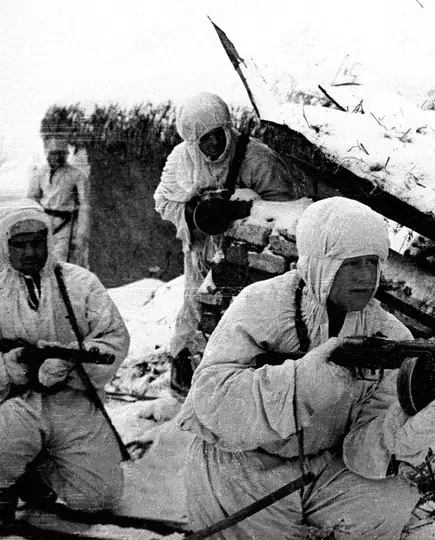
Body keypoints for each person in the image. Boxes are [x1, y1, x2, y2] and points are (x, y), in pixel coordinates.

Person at [175, 197, 435, 539]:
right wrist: (303, 382)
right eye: (351, 264)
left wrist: (401, 431)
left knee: (388, 504)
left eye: (373, 263)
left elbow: (360, 452)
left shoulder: (390, 336)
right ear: (321, 264)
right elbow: (212, 400)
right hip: (242, 468)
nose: (367, 277)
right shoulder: (261, 305)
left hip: (319, 467)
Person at [153, 91, 298, 396]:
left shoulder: (255, 159)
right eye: (204, 140)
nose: (213, 145)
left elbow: (285, 210)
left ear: (226, 128)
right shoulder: (182, 160)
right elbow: (163, 201)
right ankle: (187, 374)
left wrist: (240, 211)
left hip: (247, 257)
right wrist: (194, 212)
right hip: (201, 248)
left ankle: (237, 380)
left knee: (242, 314)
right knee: (195, 306)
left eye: (217, 136)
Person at [0, 199, 130, 527]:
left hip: (72, 402)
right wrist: (8, 369)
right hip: (15, 402)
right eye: (20, 244)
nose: (30, 252)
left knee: (99, 497)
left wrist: (69, 367)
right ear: (5, 245)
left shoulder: (80, 283)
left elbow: (113, 340)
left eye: (37, 242)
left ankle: (37, 471)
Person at [27, 135, 91, 268]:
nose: (56, 157)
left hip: (65, 224)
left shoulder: (76, 175)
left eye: (60, 154)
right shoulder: (40, 173)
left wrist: (82, 230)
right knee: (41, 258)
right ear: (48, 154)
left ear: (65, 155)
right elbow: (32, 198)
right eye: (53, 153)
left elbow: (84, 204)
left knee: (60, 261)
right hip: (44, 222)